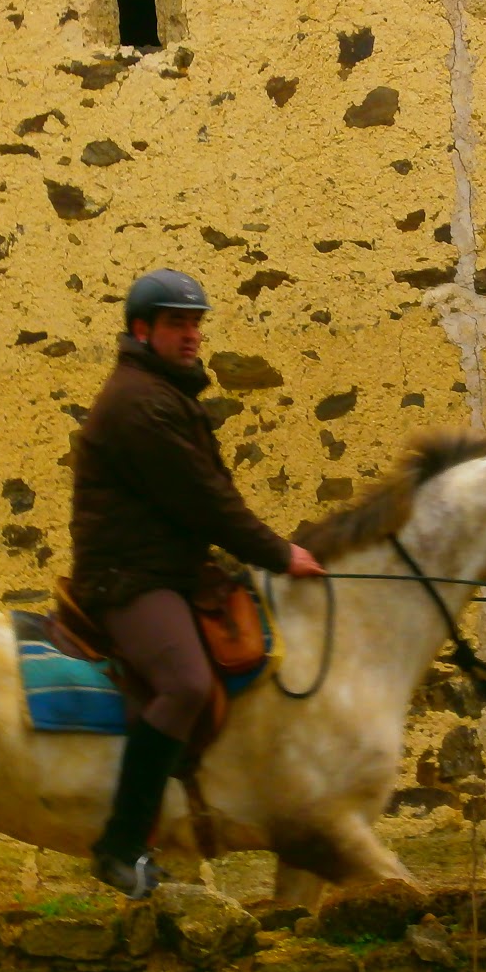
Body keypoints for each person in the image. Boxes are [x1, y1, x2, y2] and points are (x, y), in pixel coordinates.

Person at [69, 268, 326, 898]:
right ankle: (121, 846)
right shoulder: (140, 403)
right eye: (177, 323)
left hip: (170, 570)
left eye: (195, 323)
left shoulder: (165, 392)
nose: (191, 335)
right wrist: (278, 554)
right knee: (184, 683)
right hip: (127, 577)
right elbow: (205, 502)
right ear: (142, 330)